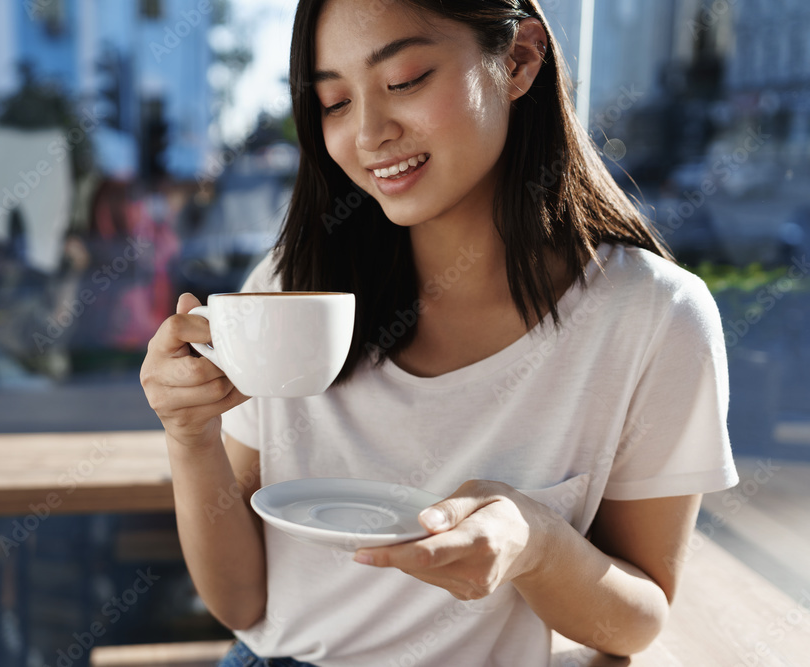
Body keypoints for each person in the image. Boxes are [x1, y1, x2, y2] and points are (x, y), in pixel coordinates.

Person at [140, 0, 739, 664]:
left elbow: (634, 624)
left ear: (519, 60)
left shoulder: (652, 317)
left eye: (404, 81)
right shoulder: (287, 290)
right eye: (335, 102)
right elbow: (241, 605)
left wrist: (537, 544)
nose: (369, 133)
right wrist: (189, 436)